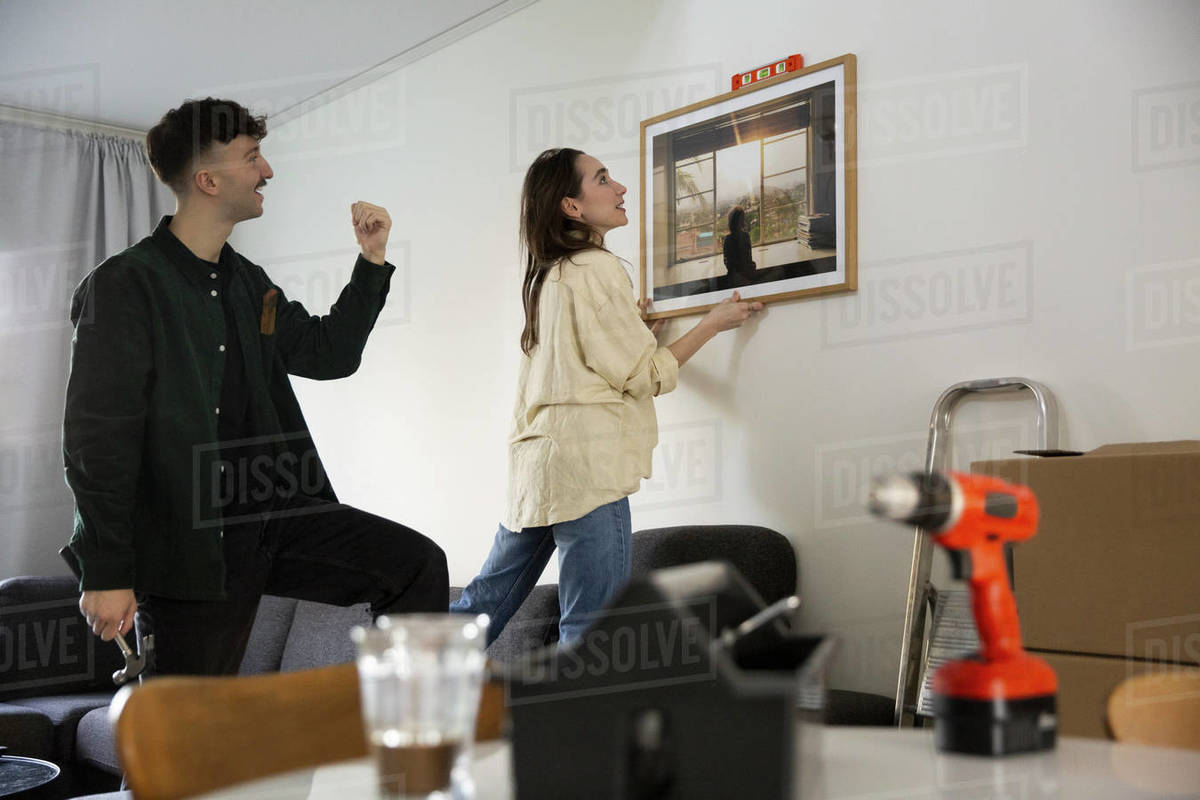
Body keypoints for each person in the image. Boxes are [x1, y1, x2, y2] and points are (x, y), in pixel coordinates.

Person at [64, 98, 448, 676]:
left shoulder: (249, 283)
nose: (266, 170)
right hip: (189, 541)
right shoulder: (124, 285)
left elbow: (328, 354)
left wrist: (371, 262)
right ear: (208, 180)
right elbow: (97, 440)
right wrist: (106, 570)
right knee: (189, 725)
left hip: (277, 515)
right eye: (252, 157)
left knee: (417, 566)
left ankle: (412, 721)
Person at [450, 147, 763, 646]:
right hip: (587, 468)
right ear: (572, 207)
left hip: (538, 467)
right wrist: (712, 323)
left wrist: (635, 333)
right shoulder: (596, 267)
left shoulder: (549, 274)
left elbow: (585, 363)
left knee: (479, 608)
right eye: (602, 179)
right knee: (591, 630)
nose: (620, 188)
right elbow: (645, 376)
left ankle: (396, 682)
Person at [722, 206, 756, 288]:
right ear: (742, 221)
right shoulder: (746, 236)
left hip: (734, 278)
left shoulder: (728, 239)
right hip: (746, 276)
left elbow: (727, 261)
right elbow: (748, 257)